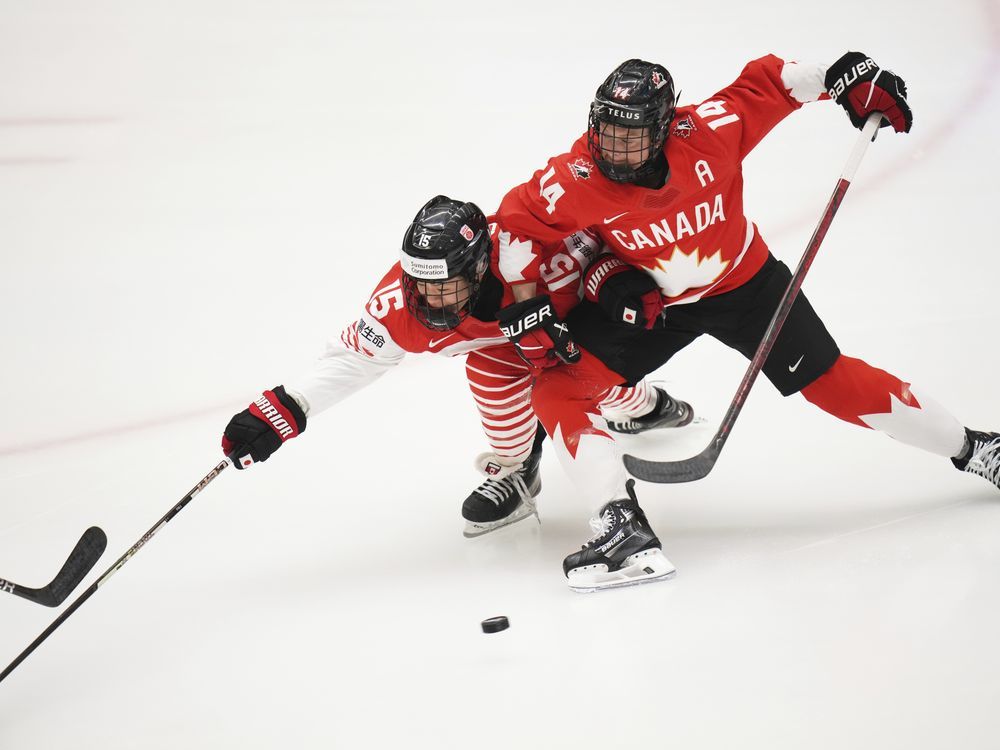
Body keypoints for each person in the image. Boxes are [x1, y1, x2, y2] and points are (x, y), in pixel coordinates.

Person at [491, 52, 1000, 592]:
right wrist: (525, 303)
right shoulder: (573, 177)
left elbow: (773, 82)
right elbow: (515, 223)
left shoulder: (708, 132)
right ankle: (623, 528)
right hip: (654, 307)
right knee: (557, 386)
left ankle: (976, 449)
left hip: (747, 287)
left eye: (632, 133)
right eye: (607, 130)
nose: (615, 146)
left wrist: (844, 74)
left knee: (831, 382)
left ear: (665, 127)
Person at [220, 196, 693, 539]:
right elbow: (351, 362)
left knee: (587, 380)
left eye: (446, 286)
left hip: (570, 329)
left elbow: (610, 236)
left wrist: (612, 280)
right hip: (502, 352)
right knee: (489, 371)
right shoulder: (399, 309)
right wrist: (284, 409)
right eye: (421, 284)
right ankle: (518, 468)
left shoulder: (535, 251)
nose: (431, 300)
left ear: (480, 268)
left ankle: (644, 404)